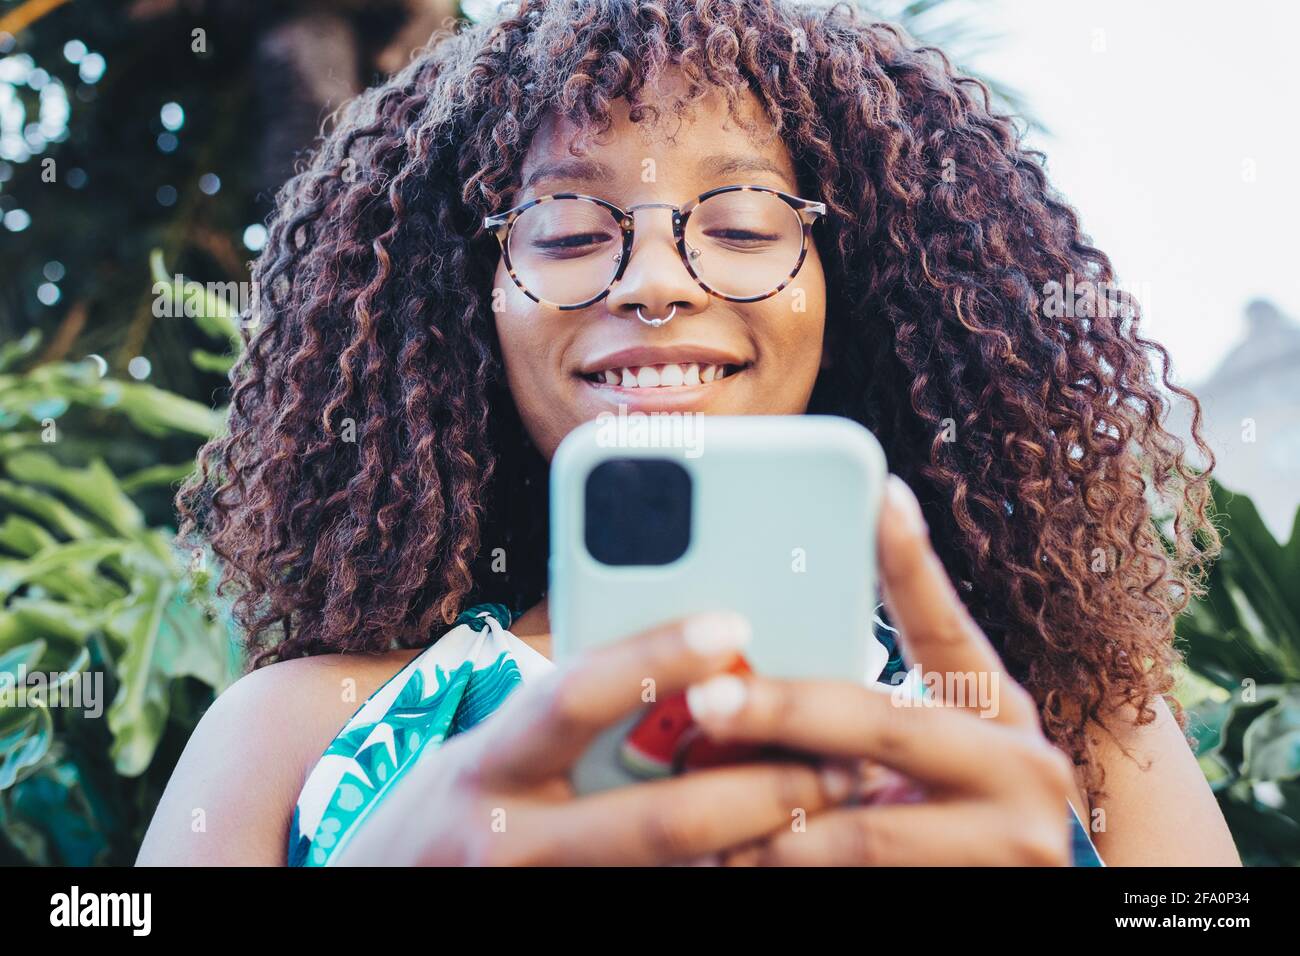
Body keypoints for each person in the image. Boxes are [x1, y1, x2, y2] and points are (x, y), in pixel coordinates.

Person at [137, 0, 1240, 866]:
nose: (655, 280)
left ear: (843, 286)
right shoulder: (287, 736)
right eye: (566, 233)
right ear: (469, 308)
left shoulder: (1081, 733)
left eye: (743, 223)